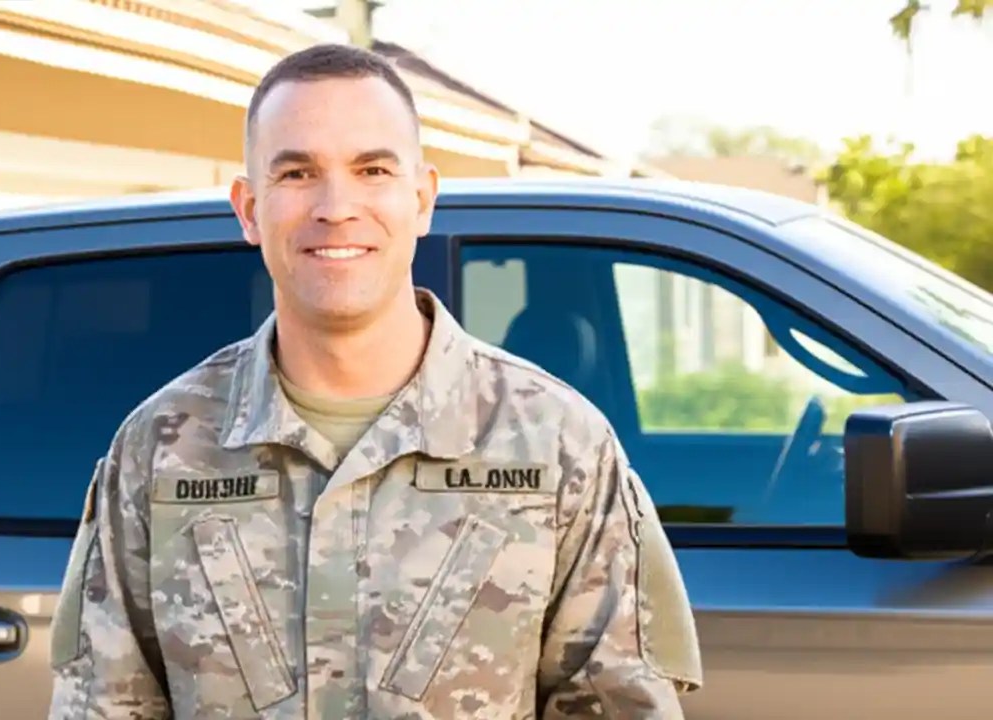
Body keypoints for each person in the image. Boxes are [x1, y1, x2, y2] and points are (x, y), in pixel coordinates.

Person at [47, 43, 702, 719]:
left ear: (421, 198)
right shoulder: (160, 451)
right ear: (248, 209)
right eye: (298, 172)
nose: (337, 206)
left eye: (373, 169)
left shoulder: (559, 445)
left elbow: (621, 705)